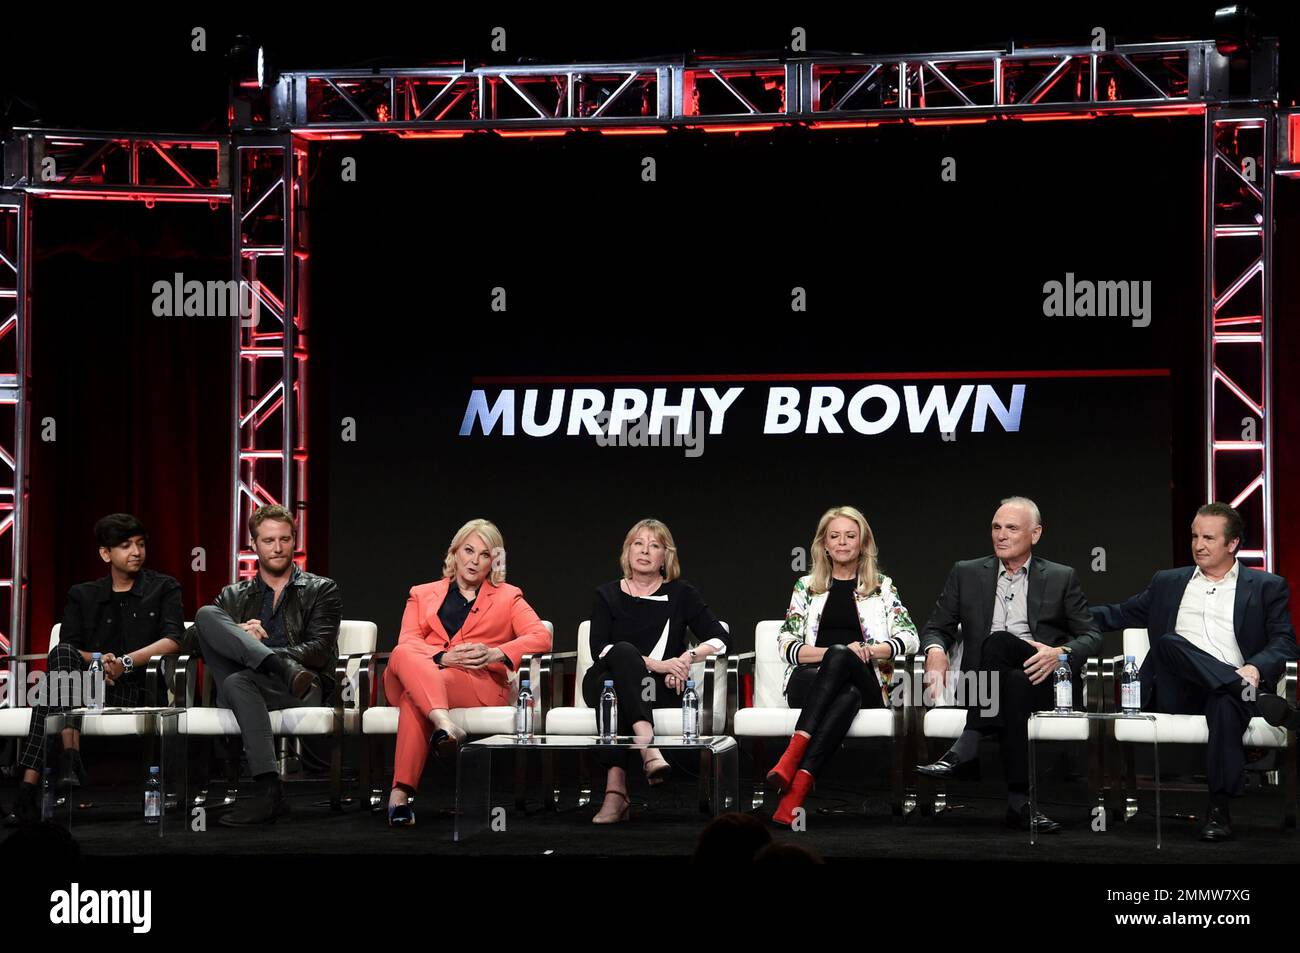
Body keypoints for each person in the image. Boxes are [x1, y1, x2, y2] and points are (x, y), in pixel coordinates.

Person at [1090, 502, 1300, 841]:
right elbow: (1118, 614)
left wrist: (1255, 667)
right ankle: (1252, 696)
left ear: (1232, 544)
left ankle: (1218, 811)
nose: (1198, 545)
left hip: (1234, 690)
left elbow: (1285, 642)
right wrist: (1063, 614)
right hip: (1179, 690)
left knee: (1224, 702)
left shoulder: (1266, 587)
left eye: (1208, 538)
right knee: (1169, 643)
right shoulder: (1168, 582)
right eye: (1194, 536)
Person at [916, 496, 1100, 833]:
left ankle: (969, 742)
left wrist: (1059, 654)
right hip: (990, 684)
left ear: (1035, 534)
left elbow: (1091, 635)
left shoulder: (1061, 576)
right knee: (1010, 678)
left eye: (1012, 528)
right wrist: (935, 651)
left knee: (1001, 642)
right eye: (996, 527)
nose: (1001, 535)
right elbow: (935, 627)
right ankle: (1020, 805)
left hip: (1042, 675)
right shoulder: (966, 572)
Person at [5, 514, 188, 827]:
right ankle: (67, 758)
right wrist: (100, 659)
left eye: (141, 544)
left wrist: (124, 662)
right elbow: (69, 649)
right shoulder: (83, 594)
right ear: (106, 554)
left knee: (52, 689)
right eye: (126, 545)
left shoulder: (164, 587)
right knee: (61, 660)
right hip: (85, 688)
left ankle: (33, 783)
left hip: (138, 689)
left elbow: (174, 640)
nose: (136, 552)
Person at [383, 519, 551, 827]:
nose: (474, 561)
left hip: (473, 683)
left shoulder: (507, 596)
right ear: (454, 553)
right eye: (468, 551)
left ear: (494, 561)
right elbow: (407, 640)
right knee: (403, 651)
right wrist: (441, 657)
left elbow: (541, 636)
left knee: (414, 697)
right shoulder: (421, 594)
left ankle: (399, 794)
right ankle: (444, 723)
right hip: (418, 671)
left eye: (484, 555)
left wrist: (496, 653)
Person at [191, 504, 341, 826]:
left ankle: (268, 791)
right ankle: (279, 667)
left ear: (294, 541)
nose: (277, 547)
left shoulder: (321, 589)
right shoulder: (233, 595)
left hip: (303, 684)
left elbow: (318, 651)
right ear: (254, 545)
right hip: (259, 680)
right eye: (269, 540)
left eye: (284, 539)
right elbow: (193, 639)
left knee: (234, 682)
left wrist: (261, 647)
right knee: (206, 616)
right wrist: (240, 634)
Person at [767, 506, 918, 826]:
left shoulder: (882, 587)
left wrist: (867, 650)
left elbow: (910, 637)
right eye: (834, 536)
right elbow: (785, 643)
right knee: (845, 689)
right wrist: (833, 654)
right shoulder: (805, 587)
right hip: (808, 682)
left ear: (863, 543)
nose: (843, 542)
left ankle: (792, 757)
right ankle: (798, 789)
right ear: (824, 544)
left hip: (869, 681)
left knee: (846, 668)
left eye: (851, 536)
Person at [584, 518, 729, 824]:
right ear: (627, 552)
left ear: (666, 556)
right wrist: (660, 664)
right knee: (620, 659)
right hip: (603, 681)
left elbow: (720, 639)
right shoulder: (606, 594)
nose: (645, 551)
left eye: (655, 545)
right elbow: (602, 649)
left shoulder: (681, 594)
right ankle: (648, 748)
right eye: (638, 543)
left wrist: (687, 657)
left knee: (621, 693)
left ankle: (616, 793)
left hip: (655, 689)